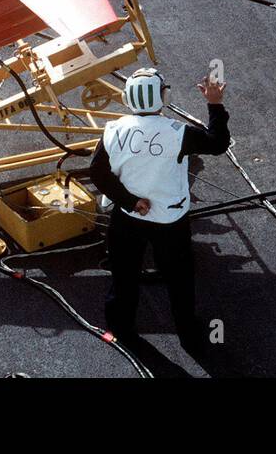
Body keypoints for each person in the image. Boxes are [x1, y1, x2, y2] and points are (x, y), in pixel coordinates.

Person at [88, 67, 230, 352]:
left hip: (128, 219)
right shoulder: (179, 133)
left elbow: (97, 173)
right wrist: (215, 104)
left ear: (128, 98)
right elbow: (218, 143)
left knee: (124, 276)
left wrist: (130, 201)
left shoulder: (114, 130)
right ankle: (188, 334)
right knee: (179, 279)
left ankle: (121, 329)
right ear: (161, 97)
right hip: (170, 220)